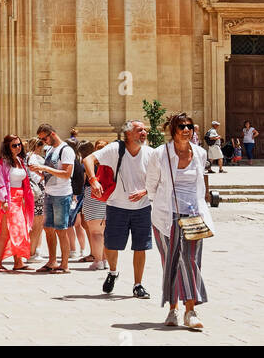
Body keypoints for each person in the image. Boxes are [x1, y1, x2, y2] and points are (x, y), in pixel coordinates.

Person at [145, 112, 213, 331]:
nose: (186, 130)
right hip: (167, 216)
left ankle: (191, 310)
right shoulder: (160, 154)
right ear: (173, 130)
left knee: (191, 260)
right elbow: (151, 185)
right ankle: (172, 309)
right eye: (182, 126)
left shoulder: (200, 153)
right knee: (171, 262)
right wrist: (164, 207)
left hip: (193, 215)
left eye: (189, 126)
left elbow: (201, 184)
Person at [86, 121, 153, 298]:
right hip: (117, 206)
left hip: (143, 207)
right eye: (140, 130)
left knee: (141, 246)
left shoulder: (150, 153)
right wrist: (93, 180)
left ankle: (138, 284)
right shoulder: (115, 149)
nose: (144, 132)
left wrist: (145, 191)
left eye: (145, 130)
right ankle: (113, 272)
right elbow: (88, 159)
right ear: (129, 134)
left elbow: (160, 178)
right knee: (111, 244)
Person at [30, 124, 74, 273]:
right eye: (41, 140)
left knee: (61, 230)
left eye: (44, 138)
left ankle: (65, 264)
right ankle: (52, 261)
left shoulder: (66, 150)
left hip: (62, 195)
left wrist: (44, 168)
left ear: (53, 134)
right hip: (49, 193)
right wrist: (38, 172)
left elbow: (66, 174)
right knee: (48, 229)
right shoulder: (50, 150)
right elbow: (49, 175)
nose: (43, 142)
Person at [0, 135, 34, 272]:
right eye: (14, 145)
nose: (18, 147)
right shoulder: (3, 162)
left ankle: (18, 262)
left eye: (19, 144)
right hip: (8, 200)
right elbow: (0, 182)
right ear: (7, 147)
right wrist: (4, 200)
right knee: (5, 231)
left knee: (19, 230)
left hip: (20, 200)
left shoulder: (20, 161)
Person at [80, 139, 108, 270]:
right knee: (105, 232)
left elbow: (84, 181)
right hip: (109, 198)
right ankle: (105, 260)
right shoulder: (112, 163)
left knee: (96, 232)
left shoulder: (90, 163)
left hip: (93, 196)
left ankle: (98, 261)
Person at [65, 142, 88, 260]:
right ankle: (82, 249)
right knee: (78, 224)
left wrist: (75, 194)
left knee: (69, 224)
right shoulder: (80, 161)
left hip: (74, 195)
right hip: (79, 194)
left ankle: (73, 250)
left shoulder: (72, 162)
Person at [25, 137, 46, 260]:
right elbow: (34, 175)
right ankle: (31, 253)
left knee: (36, 224)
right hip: (38, 192)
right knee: (37, 224)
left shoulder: (27, 156)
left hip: (34, 192)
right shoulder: (33, 157)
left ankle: (33, 251)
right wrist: (45, 175)